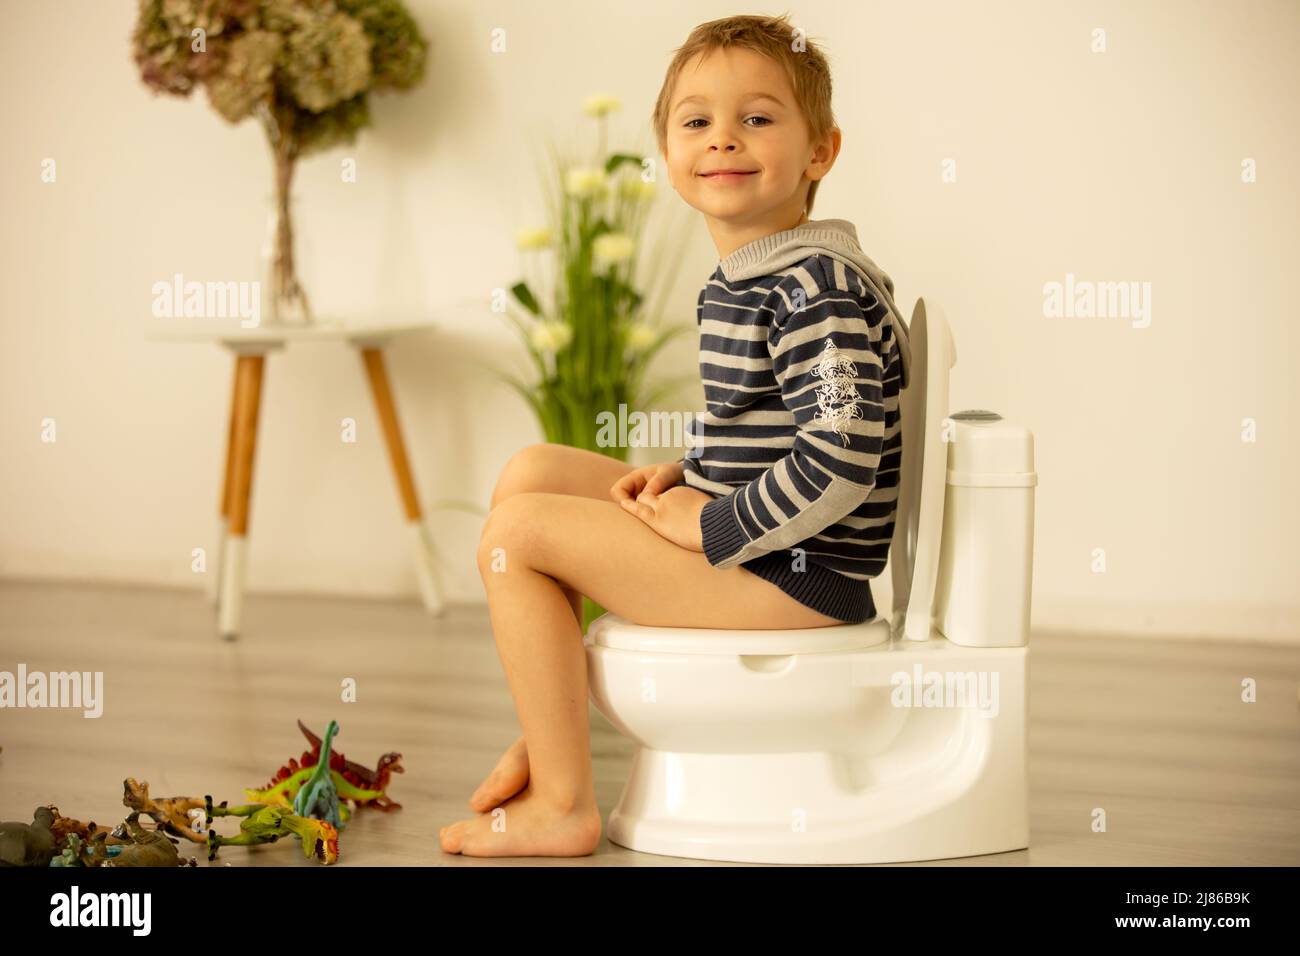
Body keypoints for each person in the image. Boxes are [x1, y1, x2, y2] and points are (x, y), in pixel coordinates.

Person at [440, 13, 910, 858]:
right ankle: (552, 729)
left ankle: (563, 801)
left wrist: (710, 521)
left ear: (821, 152)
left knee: (516, 536)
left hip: (804, 576)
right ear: (669, 154)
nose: (723, 138)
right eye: (696, 122)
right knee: (529, 472)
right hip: (777, 548)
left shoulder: (816, 292)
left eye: (757, 118)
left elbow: (839, 460)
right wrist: (690, 475)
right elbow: (767, 430)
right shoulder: (754, 274)